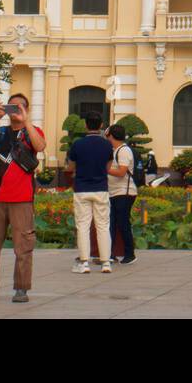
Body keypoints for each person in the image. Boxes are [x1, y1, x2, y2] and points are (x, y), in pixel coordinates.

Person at [0, 93, 45, 303]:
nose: (15, 110)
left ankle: (21, 289)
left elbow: (40, 146)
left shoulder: (32, 132)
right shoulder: (1, 132)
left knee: (23, 247)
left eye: (20, 107)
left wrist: (27, 122)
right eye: (12, 107)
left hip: (22, 199)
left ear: (27, 109)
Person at [67, 111, 113, 274]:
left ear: (85, 125)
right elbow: (108, 166)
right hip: (101, 188)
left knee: (83, 226)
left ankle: (84, 263)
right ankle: (106, 262)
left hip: (81, 189)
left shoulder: (77, 144)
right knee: (103, 226)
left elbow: (70, 167)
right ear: (101, 125)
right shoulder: (107, 145)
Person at [106, 124, 137, 266]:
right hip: (114, 192)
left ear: (111, 136)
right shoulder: (115, 150)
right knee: (111, 223)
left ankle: (130, 254)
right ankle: (110, 254)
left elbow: (121, 172)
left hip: (124, 192)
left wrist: (105, 170)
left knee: (123, 223)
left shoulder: (124, 151)